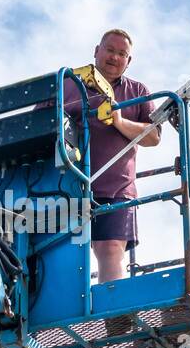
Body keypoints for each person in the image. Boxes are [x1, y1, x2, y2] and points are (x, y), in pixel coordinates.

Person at [61, 28, 162, 283]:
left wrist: (118, 120)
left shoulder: (138, 91)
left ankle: (116, 322)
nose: (114, 57)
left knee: (110, 249)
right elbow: (38, 123)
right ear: (97, 51)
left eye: (121, 54)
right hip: (65, 186)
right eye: (110, 50)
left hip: (115, 187)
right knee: (57, 255)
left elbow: (153, 137)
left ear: (129, 61)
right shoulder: (67, 85)